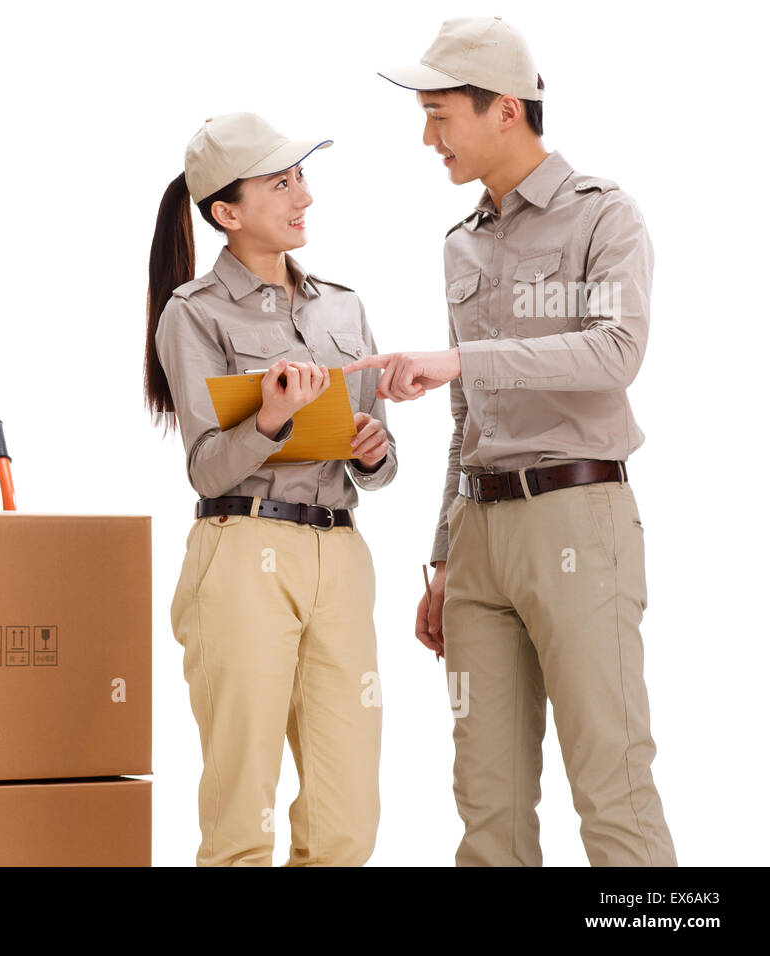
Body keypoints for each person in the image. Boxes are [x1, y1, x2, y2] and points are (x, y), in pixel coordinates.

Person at [346, 17, 677, 866]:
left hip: (577, 517)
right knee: (486, 806)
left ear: (505, 111)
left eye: (440, 114)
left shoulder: (605, 216)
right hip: (480, 537)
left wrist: (459, 357)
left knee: (613, 786)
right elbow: (469, 417)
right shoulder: (462, 243)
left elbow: (618, 351)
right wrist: (447, 554)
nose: (428, 138)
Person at [144, 112, 397, 866]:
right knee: (242, 811)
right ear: (227, 213)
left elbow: (378, 462)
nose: (304, 197)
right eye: (281, 183)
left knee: (347, 815)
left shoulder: (344, 307)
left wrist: (377, 451)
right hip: (241, 544)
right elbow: (207, 468)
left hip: (340, 556)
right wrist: (275, 420)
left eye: (302, 178)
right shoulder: (193, 314)